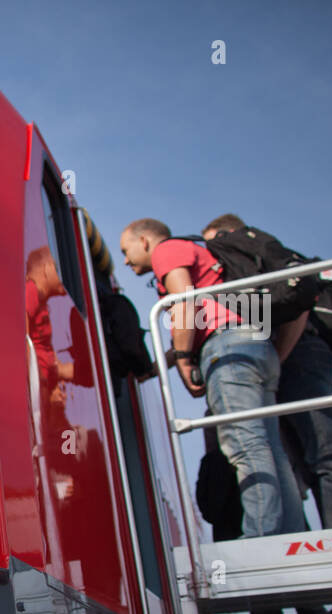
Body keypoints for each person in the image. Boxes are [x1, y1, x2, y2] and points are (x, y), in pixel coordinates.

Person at [119, 218, 305, 540]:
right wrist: (158, 365)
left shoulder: (167, 250)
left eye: (127, 250)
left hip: (227, 349)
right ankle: (289, 536)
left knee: (244, 447)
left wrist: (184, 359)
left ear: (146, 241)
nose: (125, 259)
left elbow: (185, 302)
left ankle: (261, 539)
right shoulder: (200, 252)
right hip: (256, 346)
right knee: (271, 448)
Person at [201, 214, 332, 533]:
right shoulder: (256, 261)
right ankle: (303, 537)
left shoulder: (265, 257)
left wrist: (277, 357)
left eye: (217, 239)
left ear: (234, 232)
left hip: (302, 350)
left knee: (324, 448)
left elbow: (300, 306)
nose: (215, 249)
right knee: (286, 455)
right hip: (288, 353)